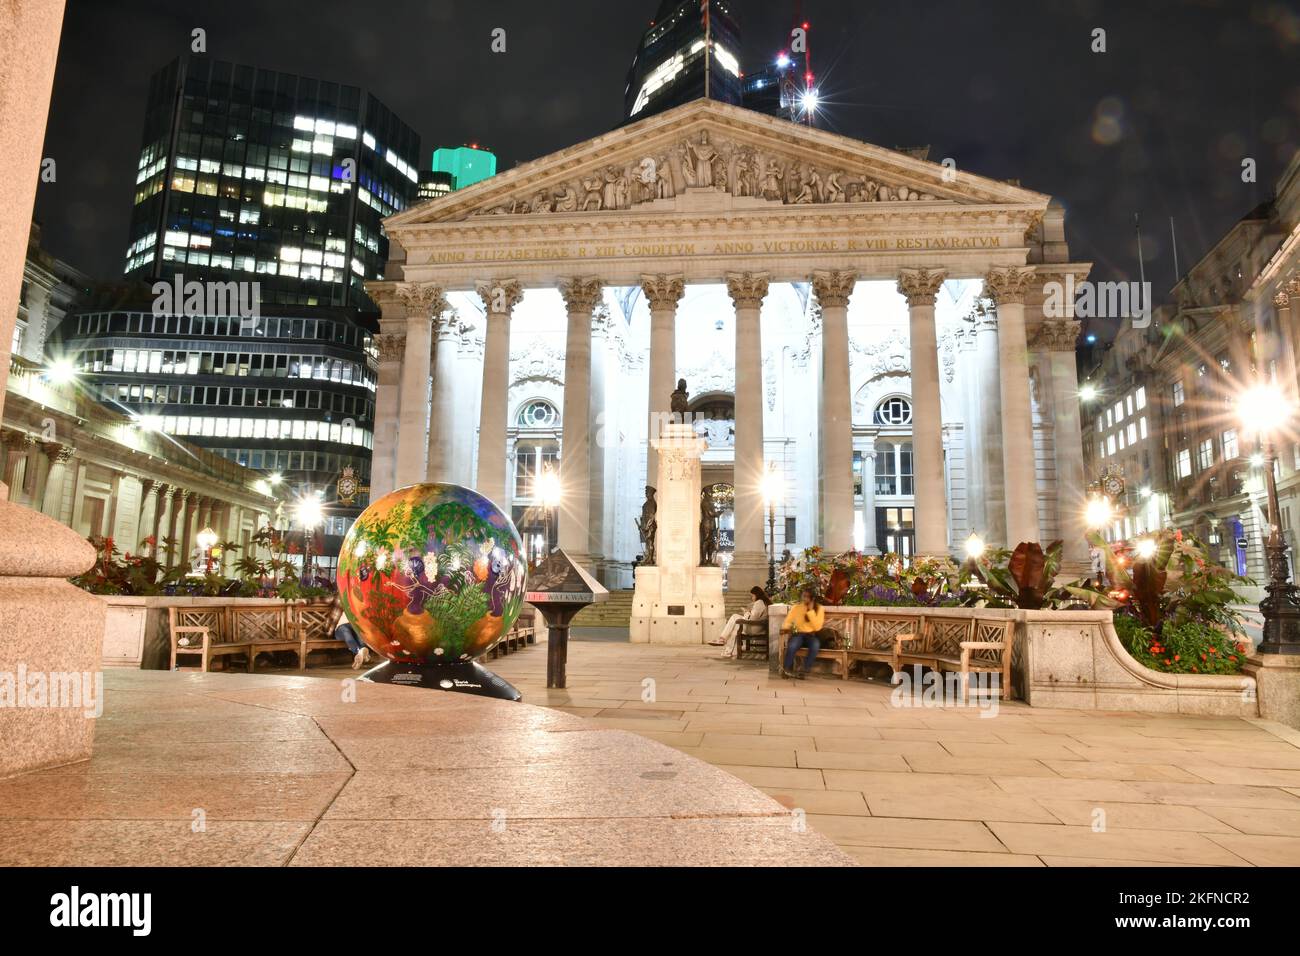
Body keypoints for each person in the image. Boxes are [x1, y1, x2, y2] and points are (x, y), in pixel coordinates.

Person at [780, 588, 832, 679]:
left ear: (812, 598)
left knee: (815, 645)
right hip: (799, 634)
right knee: (792, 645)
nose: (804, 598)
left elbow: (817, 627)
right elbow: (788, 621)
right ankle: (786, 669)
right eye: (803, 596)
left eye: (806, 596)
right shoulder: (796, 607)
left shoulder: (819, 609)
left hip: (811, 635)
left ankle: (804, 670)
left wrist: (811, 611)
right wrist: (784, 628)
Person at [713, 586, 772, 657]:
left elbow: (752, 619)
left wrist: (746, 612)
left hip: (755, 628)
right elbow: (755, 616)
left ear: (757, 595)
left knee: (734, 617)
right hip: (757, 627)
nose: (752, 598)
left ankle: (722, 639)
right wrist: (748, 613)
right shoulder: (763, 602)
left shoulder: (759, 602)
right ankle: (727, 651)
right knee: (735, 628)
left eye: (752, 596)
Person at [327, 593, 370, 669]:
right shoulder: (339, 596)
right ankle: (361, 652)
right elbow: (321, 599)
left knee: (359, 634)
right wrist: (304, 601)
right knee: (346, 632)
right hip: (341, 627)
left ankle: (361, 652)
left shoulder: (358, 597)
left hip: (354, 625)